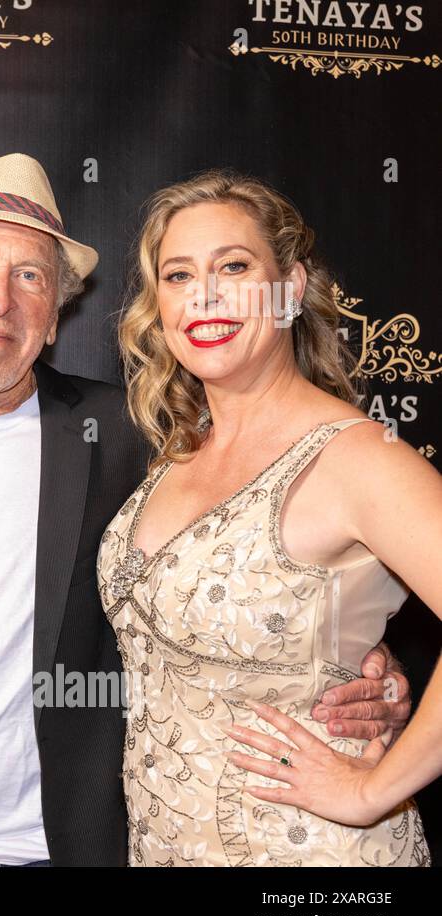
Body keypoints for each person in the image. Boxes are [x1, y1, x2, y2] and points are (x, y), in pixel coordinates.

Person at [0, 155, 413, 866]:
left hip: (89, 844)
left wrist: (356, 666)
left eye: (29, 276)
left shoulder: (145, 440)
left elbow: (290, 568)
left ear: (55, 315)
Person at [98, 169, 437, 865]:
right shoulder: (177, 453)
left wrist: (371, 791)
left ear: (289, 287)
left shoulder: (356, 457)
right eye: (180, 274)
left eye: (234, 266)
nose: (207, 295)